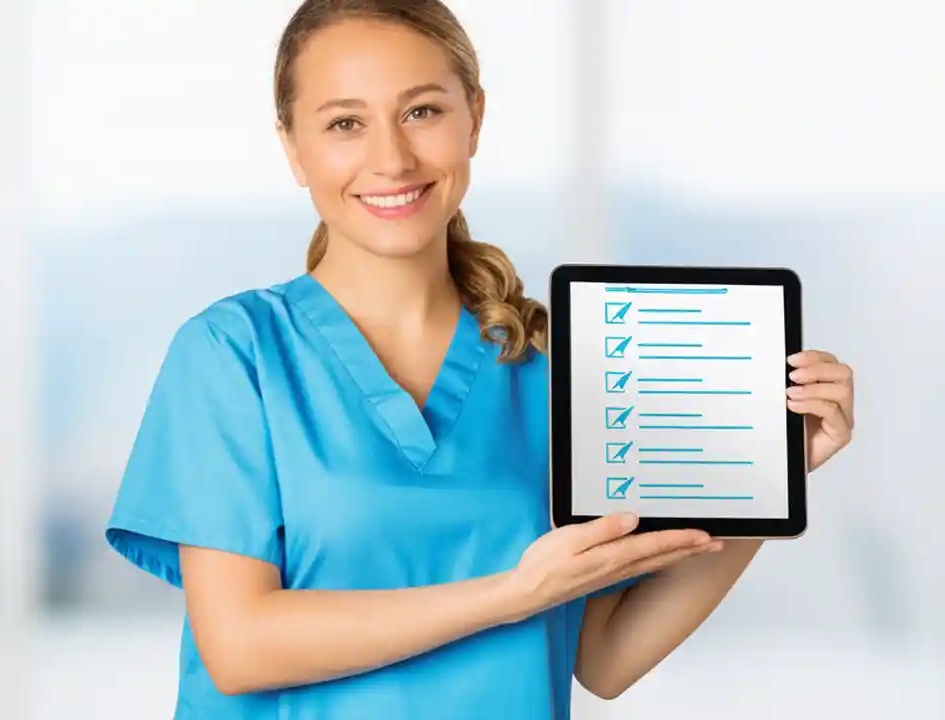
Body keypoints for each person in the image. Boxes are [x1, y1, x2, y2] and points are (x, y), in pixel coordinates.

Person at [104, 1, 856, 718]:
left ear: (475, 119)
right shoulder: (234, 355)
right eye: (344, 123)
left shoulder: (555, 367)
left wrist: (764, 475)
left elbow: (605, 656)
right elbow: (240, 646)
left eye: (422, 111)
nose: (391, 158)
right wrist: (514, 594)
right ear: (293, 148)